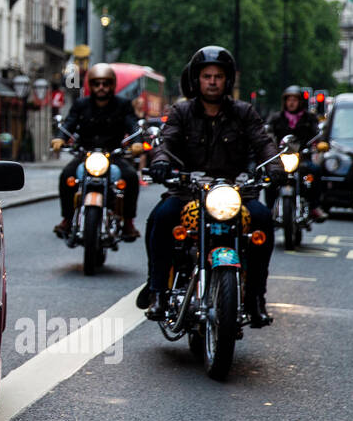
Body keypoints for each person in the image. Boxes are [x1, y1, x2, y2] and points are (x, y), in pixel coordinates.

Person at [138, 46, 277, 327]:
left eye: (218, 76)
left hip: (236, 193)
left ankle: (255, 298)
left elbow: (263, 143)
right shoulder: (181, 111)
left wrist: (274, 167)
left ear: (227, 81)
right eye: (206, 76)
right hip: (188, 192)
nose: (212, 81)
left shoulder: (244, 112)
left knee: (262, 219)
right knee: (162, 218)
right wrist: (161, 161)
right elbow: (167, 142)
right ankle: (158, 293)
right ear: (196, 79)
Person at [51, 62, 142, 241]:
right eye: (97, 83)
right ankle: (67, 219)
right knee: (66, 175)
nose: (101, 87)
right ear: (90, 85)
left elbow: (132, 124)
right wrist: (60, 137)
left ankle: (129, 222)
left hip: (113, 154)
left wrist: (137, 142)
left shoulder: (123, 105)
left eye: (106, 83)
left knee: (131, 177)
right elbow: (70, 122)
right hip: (86, 154)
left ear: (112, 85)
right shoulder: (80, 104)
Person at [265, 85, 327, 221]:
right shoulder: (276, 118)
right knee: (268, 177)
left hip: (302, 157)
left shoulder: (309, 118)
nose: (291, 103)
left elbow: (318, 134)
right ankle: (269, 209)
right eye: (289, 100)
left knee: (315, 170)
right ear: (285, 102)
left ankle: (314, 206)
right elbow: (267, 134)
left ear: (300, 102)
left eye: (295, 100)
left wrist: (319, 143)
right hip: (280, 158)